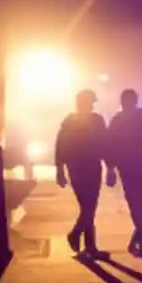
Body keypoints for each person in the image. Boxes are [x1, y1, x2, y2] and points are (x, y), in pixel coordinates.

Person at [56, 89, 113, 258]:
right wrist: (110, 167)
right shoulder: (96, 120)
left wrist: (60, 169)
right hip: (89, 167)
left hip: (78, 168)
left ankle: (90, 247)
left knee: (88, 207)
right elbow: (104, 144)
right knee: (89, 207)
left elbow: (60, 146)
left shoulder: (70, 121)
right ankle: (77, 235)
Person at [108, 89, 142, 256]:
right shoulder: (140, 118)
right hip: (137, 167)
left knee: (141, 204)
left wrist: (110, 168)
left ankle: (140, 235)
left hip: (134, 167)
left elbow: (109, 145)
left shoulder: (122, 120)